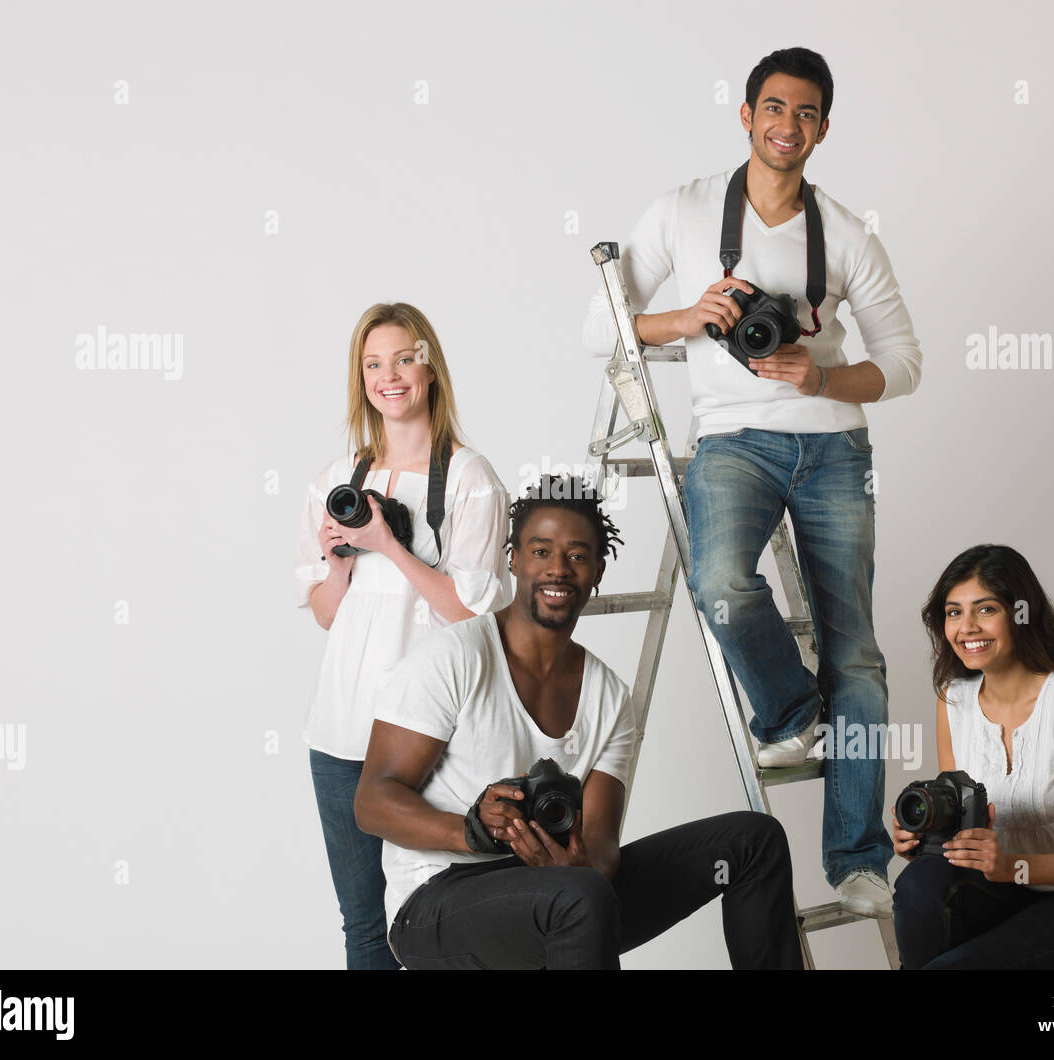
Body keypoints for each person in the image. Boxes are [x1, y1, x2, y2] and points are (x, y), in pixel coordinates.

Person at [582, 47, 921, 916]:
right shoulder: (685, 210)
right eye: (774, 108)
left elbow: (905, 361)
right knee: (723, 583)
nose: (787, 126)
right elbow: (600, 327)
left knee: (859, 651)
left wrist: (822, 378)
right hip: (733, 438)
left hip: (834, 446)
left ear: (824, 129)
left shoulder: (845, 232)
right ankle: (788, 714)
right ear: (745, 114)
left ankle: (858, 861)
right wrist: (688, 317)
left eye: (806, 114)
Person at [353, 475, 802, 970]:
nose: (558, 570)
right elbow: (373, 801)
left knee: (753, 841)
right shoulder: (455, 657)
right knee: (578, 897)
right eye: (541, 552)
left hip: (561, 888)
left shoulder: (609, 697)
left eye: (577, 555)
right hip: (437, 901)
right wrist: (473, 830)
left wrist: (577, 863)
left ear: (597, 571)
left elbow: (604, 846)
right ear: (514, 560)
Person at [293, 302, 511, 969]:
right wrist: (339, 556)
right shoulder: (338, 480)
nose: (389, 377)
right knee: (365, 929)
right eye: (372, 364)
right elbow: (331, 614)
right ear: (361, 379)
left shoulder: (470, 479)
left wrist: (389, 542)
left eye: (403, 359)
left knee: (445, 929)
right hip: (341, 736)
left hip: (430, 741)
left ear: (429, 368)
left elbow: (471, 617)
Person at [890, 544, 1054, 969]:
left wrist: (1012, 866)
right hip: (1006, 893)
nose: (966, 627)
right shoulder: (952, 701)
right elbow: (962, 826)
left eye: (985, 609)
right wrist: (924, 837)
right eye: (953, 612)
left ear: (1021, 614)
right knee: (920, 882)